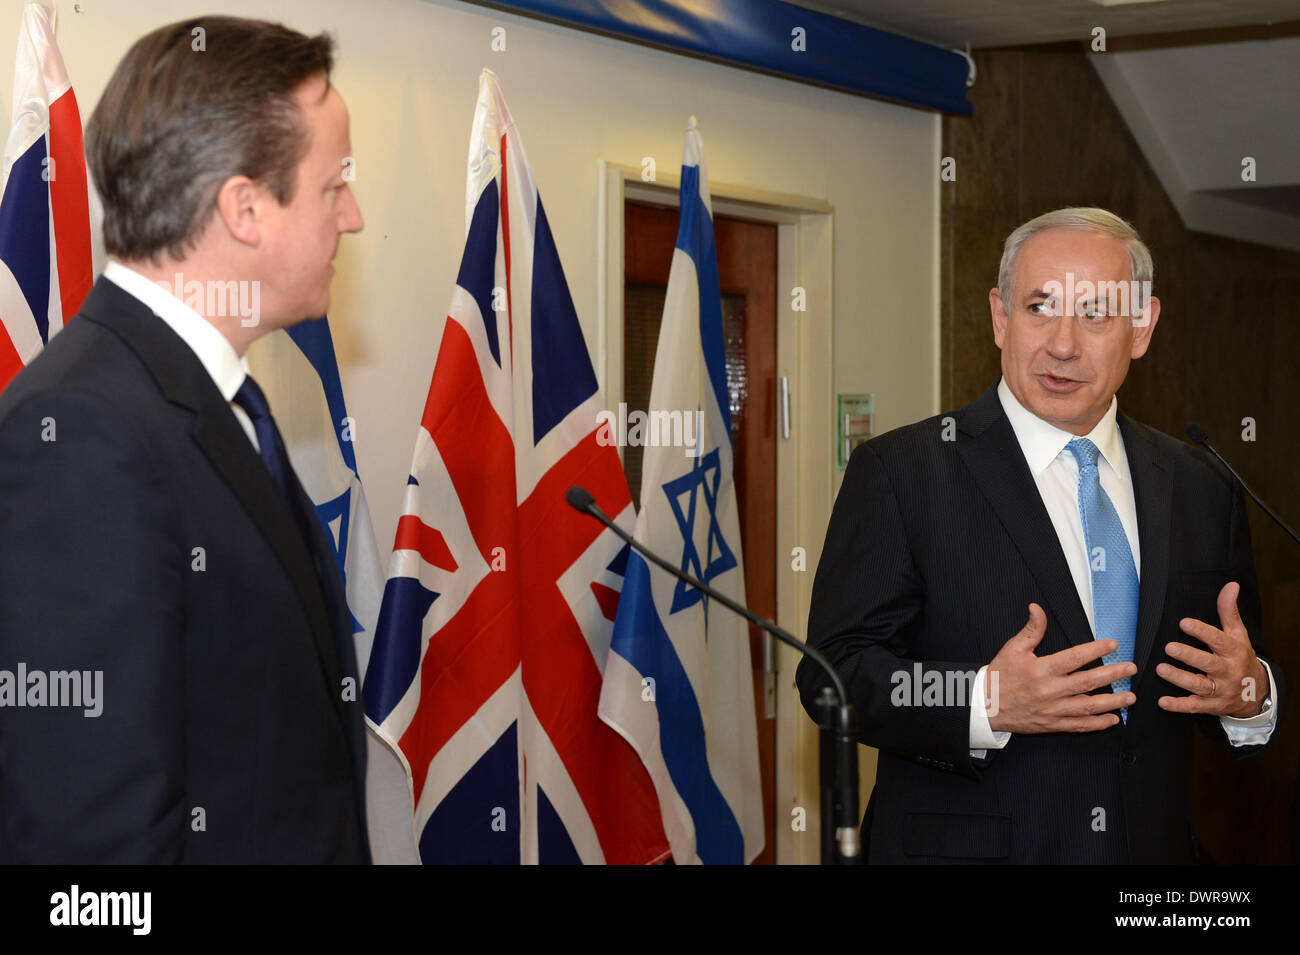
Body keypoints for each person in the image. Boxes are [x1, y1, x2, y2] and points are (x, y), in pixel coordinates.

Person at [796, 207, 1283, 864]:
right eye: (1039, 307)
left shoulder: (1201, 484)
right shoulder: (904, 473)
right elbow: (836, 677)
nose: (1062, 343)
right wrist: (983, 699)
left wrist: (1249, 693)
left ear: (1142, 328)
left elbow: (1235, 673)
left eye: (1096, 315)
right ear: (1000, 317)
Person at [0, 17, 368, 862]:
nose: (353, 216)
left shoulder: (215, 395)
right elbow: (89, 856)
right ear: (244, 208)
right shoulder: (82, 437)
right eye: (333, 184)